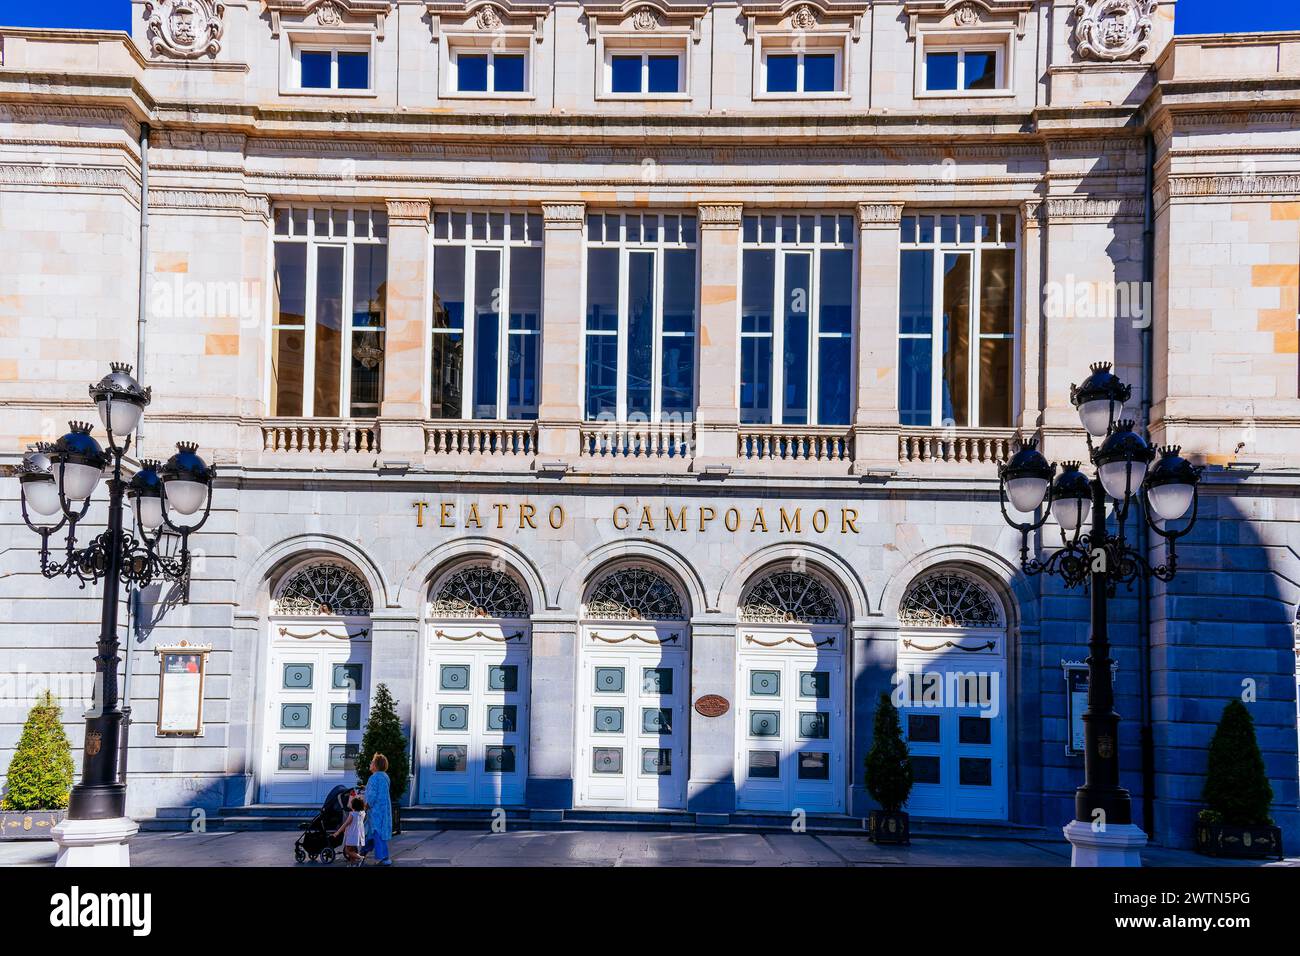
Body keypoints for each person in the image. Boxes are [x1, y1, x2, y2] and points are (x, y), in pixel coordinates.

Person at [363, 753, 393, 866]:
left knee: (376, 833)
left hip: (375, 810)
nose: (370, 764)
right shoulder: (385, 776)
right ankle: (363, 851)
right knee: (376, 832)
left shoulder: (374, 777)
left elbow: (372, 795)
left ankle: (382, 857)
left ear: (375, 766)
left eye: (371, 762)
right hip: (384, 809)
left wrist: (366, 805)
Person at [334, 795, 366, 867]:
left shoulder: (352, 814)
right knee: (352, 850)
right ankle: (352, 864)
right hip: (358, 834)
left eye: (351, 803)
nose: (350, 804)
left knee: (347, 851)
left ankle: (360, 858)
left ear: (354, 806)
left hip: (351, 834)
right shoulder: (362, 814)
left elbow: (345, 824)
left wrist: (337, 832)